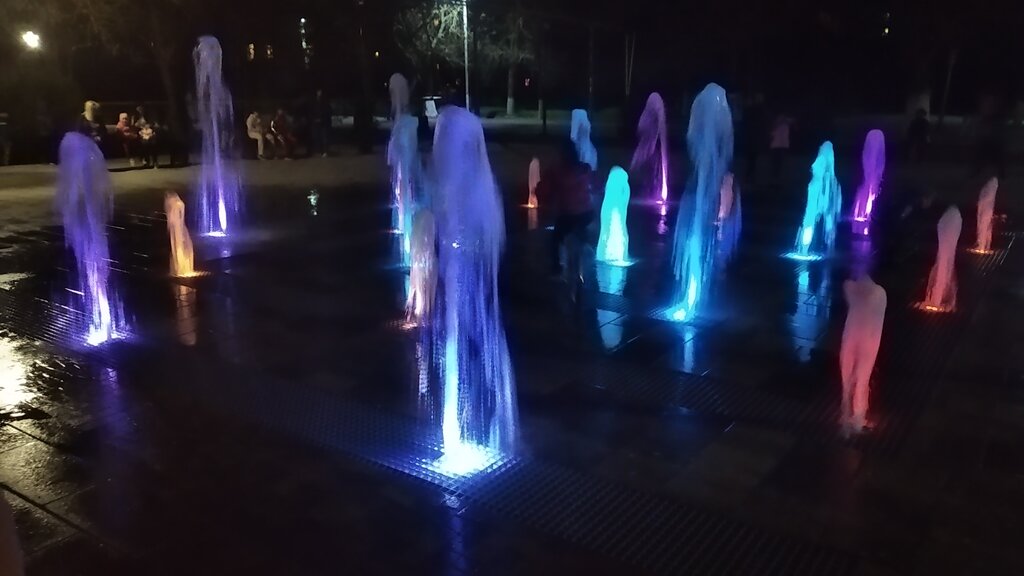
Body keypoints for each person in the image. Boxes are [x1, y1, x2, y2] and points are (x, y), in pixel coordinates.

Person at [537, 140, 596, 275]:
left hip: (569, 214)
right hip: (587, 213)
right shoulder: (584, 168)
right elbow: (596, 184)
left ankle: (557, 268)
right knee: (575, 233)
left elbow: (544, 189)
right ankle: (582, 247)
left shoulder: (557, 171)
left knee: (556, 239)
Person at [769, 113, 794, 184]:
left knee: (778, 164)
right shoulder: (778, 125)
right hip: (778, 146)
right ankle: (775, 180)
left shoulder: (783, 123)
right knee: (777, 164)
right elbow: (772, 134)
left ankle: (776, 180)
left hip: (780, 146)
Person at [311, 90, 331, 157]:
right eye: (318, 93)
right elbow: (313, 111)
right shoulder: (315, 102)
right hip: (316, 122)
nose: (319, 94)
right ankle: (319, 151)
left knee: (324, 137)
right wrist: (315, 119)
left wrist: (321, 119)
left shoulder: (325, 102)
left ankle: (325, 151)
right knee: (317, 137)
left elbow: (326, 112)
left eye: (320, 93)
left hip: (323, 122)